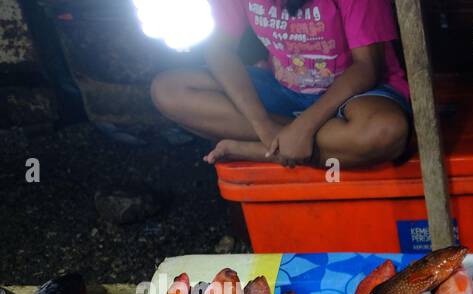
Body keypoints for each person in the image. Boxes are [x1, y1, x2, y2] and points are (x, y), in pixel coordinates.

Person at [151, 0, 411, 169]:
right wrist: (261, 124)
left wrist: (306, 126)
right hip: (284, 90)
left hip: (356, 93)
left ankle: (259, 150)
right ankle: (293, 144)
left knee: (386, 131)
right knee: (169, 91)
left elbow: (367, 67)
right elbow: (219, 48)